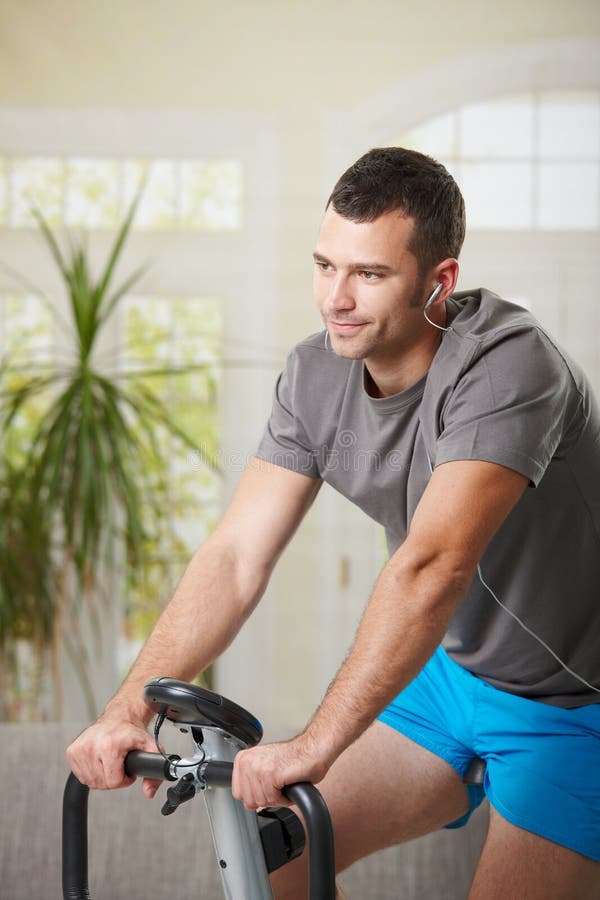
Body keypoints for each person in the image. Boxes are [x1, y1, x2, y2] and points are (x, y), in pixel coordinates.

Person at [67, 148, 600, 899]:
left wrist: (314, 745)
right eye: (325, 266)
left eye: (369, 275)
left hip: (573, 705)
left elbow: (433, 564)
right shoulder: (315, 374)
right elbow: (235, 556)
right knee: (273, 855)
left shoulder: (510, 364)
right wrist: (129, 709)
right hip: (448, 678)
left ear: (438, 282)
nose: (336, 299)